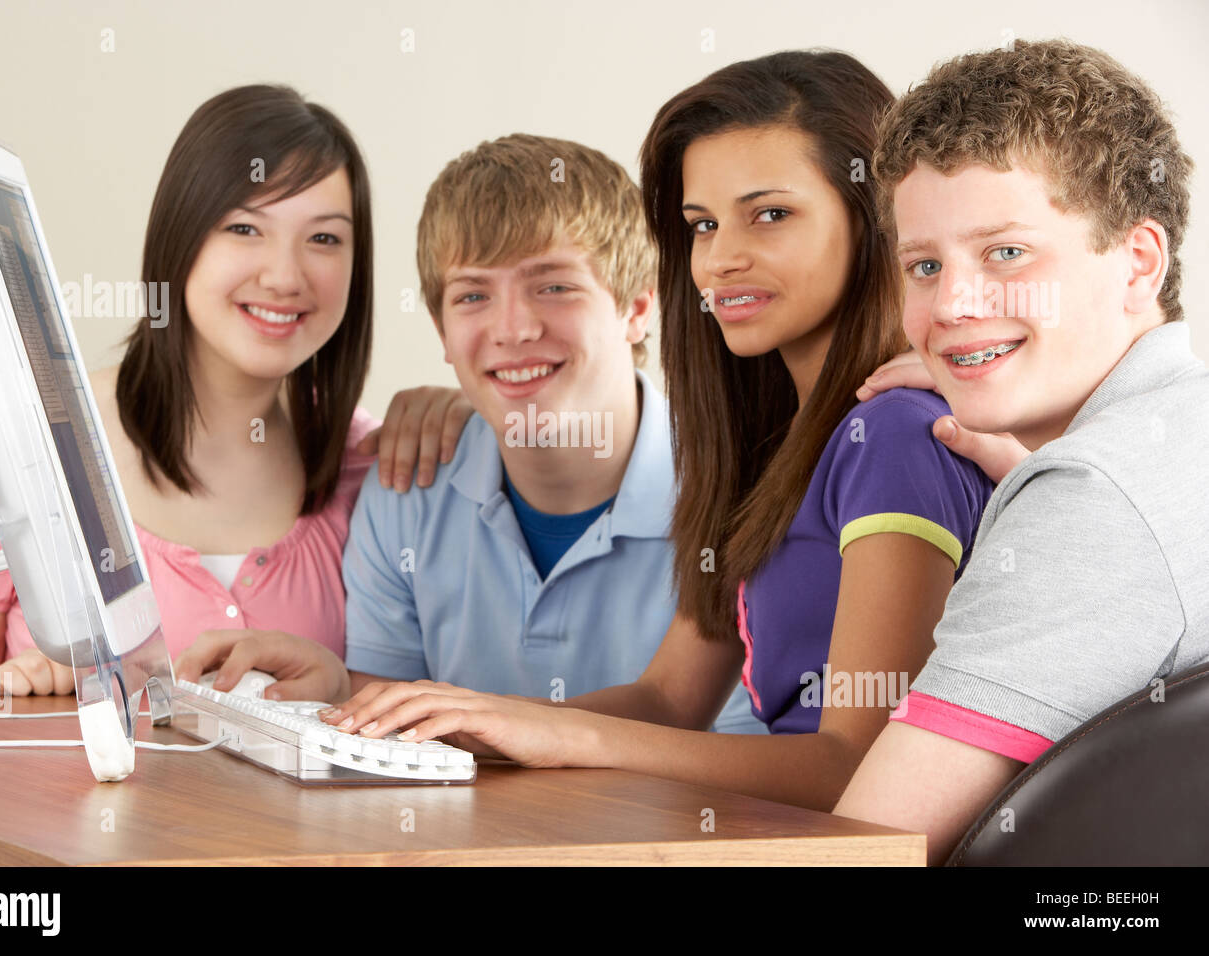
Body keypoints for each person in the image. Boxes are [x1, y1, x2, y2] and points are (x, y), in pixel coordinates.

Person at [192, 52, 1001, 810]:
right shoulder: (768, 449)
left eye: (770, 215)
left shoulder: (894, 432)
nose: (721, 259)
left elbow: (858, 769)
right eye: (704, 225)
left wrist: (557, 735)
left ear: (873, 220)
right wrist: (475, 723)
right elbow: (668, 699)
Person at [178, 132, 763, 733]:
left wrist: (494, 724)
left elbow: (747, 782)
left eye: (554, 286)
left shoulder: (742, 494)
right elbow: (392, 742)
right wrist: (336, 692)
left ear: (637, 310)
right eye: (474, 295)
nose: (512, 329)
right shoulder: (405, 495)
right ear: (441, 331)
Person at [0, 85, 470, 696]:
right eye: (244, 228)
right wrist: (29, 695)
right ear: (180, 238)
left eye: (325, 238)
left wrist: (478, 412)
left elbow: (407, 730)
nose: (285, 275)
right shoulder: (27, 439)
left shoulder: (372, 465)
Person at [833, 38, 1208, 863]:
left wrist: (1062, 500)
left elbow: (864, 853)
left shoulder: (1095, 497)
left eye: (1006, 253)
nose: (952, 306)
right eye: (924, 265)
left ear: (1139, 262)